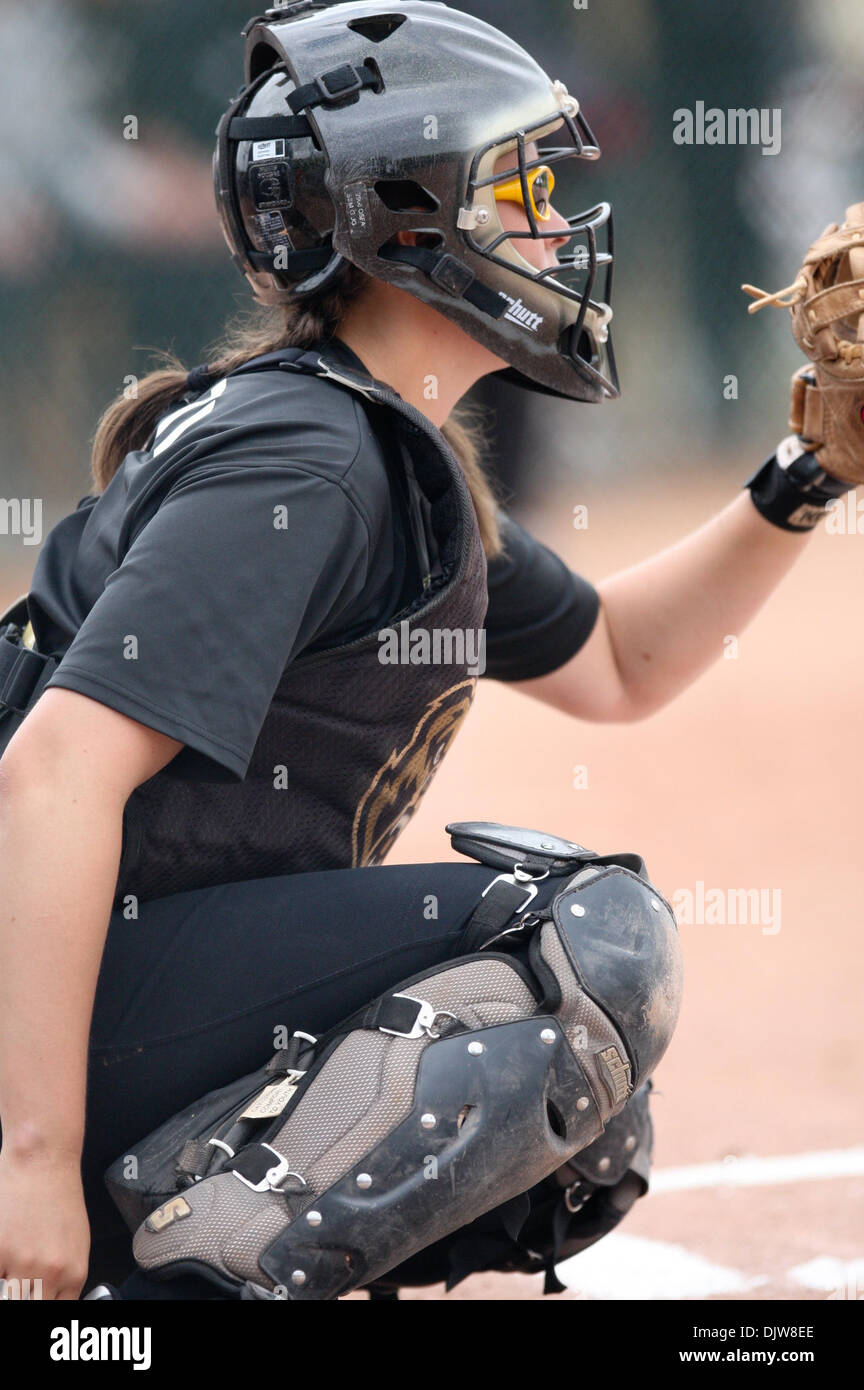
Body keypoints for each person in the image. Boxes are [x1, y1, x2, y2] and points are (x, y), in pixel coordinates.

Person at [0, 1, 850, 1303]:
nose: (556, 220)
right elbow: (51, 774)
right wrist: (33, 1158)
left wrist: (812, 469)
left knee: (578, 1116)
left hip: (100, 980)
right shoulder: (312, 458)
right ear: (406, 215)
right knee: (571, 953)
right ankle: (159, 1287)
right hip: (43, 1017)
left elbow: (618, 659)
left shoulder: (374, 445)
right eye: (515, 184)